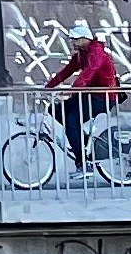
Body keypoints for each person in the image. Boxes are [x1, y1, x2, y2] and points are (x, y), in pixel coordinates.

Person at [43, 23, 125, 164]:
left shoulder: (96, 52)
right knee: (56, 109)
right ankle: (83, 140)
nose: (72, 42)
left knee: (71, 120)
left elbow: (88, 73)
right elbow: (66, 72)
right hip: (89, 95)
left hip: (103, 97)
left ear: (84, 39)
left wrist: (71, 91)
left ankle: (82, 162)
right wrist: (47, 88)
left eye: (75, 40)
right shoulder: (82, 54)